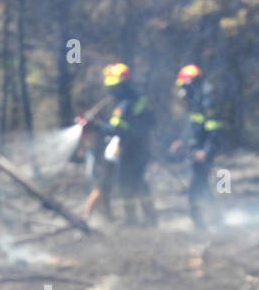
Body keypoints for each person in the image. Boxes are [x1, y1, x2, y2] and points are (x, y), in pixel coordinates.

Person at [79, 63, 155, 225]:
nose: (111, 91)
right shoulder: (140, 100)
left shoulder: (124, 105)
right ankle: (150, 219)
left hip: (129, 149)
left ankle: (132, 220)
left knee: (126, 184)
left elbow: (116, 130)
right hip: (141, 148)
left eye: (113, 87)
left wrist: (95, 125)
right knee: (140, 182)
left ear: (121, 86)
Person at [169, 64, 223, 230]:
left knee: (196, 188)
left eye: (184, 86)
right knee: (203, 186)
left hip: (203, 152)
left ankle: (199, 223)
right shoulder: (196, 100)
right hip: (196, 150)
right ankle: (216, 218)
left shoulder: (208, 100)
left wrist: (205, 152)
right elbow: (193, 126)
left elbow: (214, 131)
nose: (182, 91)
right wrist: (182, 141)